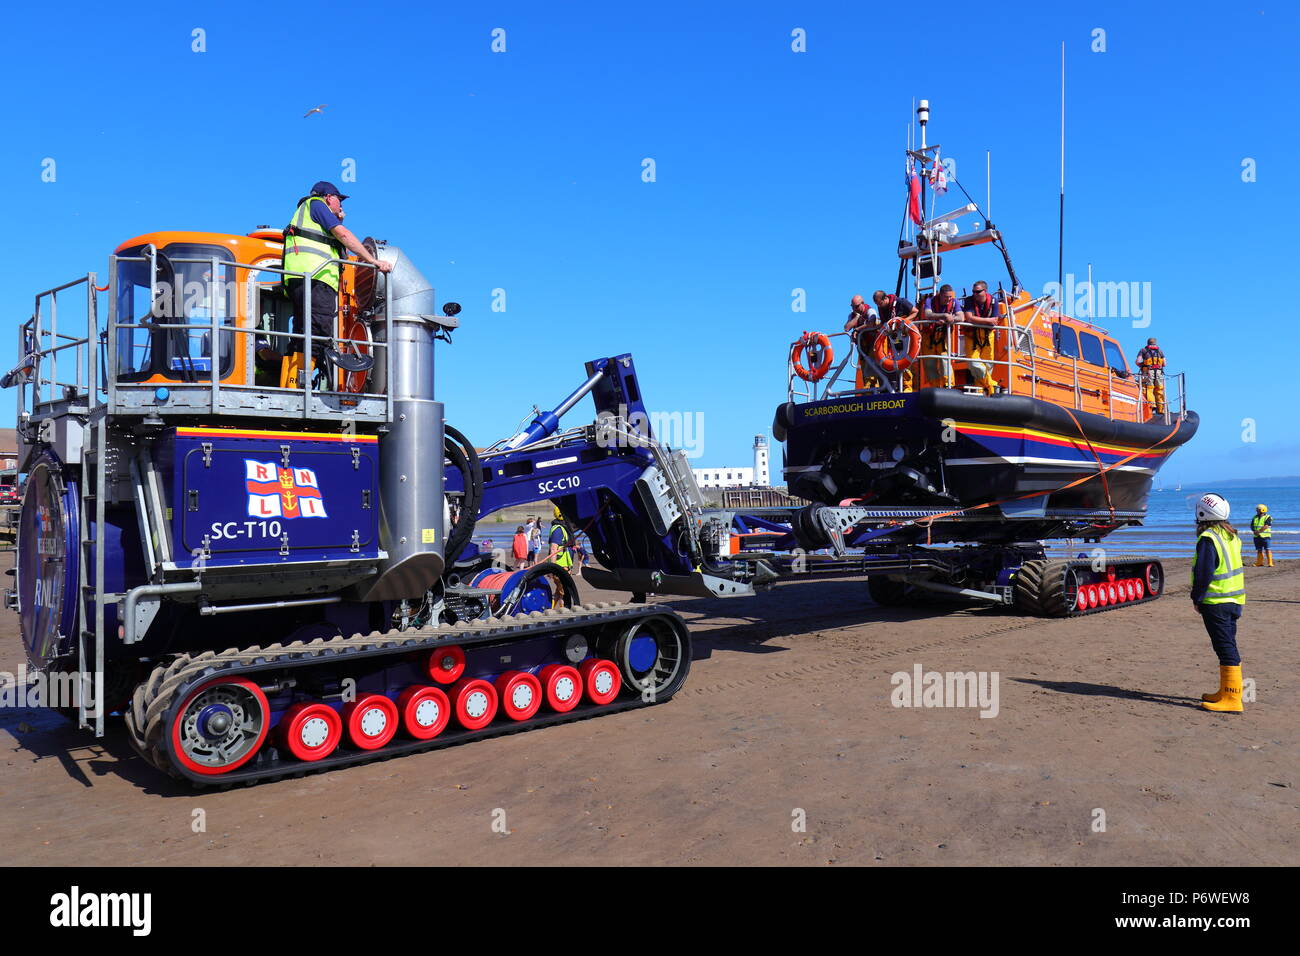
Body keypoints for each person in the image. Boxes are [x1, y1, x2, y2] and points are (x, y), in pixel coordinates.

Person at [281, 181, 393, 374]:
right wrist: (372, 260)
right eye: (339, 200)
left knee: (303, 334)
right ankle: (302, 386)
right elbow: (343, 236)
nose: (341, 205)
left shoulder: (310, 212)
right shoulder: (316, 204)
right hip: (315, 276)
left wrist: (338, 220)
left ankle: (291, 382)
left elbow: (329, 236)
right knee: (318, 333)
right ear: (328, 197)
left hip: (304, 276)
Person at [1190, 493, 1246, 713]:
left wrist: (1197, 597)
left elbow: (1204, 572)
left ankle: (1233, 699)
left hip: (1217, 601)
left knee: (1225, 647)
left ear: (1202, 513)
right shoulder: (1231, 536)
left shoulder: (1209, 538)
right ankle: (1226, 691)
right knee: (1227, 644)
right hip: (1234, 600)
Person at [871, 291, 919, 391]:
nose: (879, 306)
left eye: (880, 303)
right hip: (893, 340)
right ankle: (892, 386)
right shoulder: (882, 308)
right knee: (895, 363)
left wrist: (903, 322)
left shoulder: (901, 302)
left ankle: (907, 388)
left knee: (905, 362)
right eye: (877, 304)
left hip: (906, 338)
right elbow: (885, 323)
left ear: (885, 299)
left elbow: (915, 312)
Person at [961, 280, 1000, 396]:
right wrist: (987, 321)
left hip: (988, 337)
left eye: (978, 292)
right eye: (973, 292)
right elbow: (969, 318)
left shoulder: (994, 301)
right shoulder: (969, 301)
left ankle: (980, 390)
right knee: (973, 363)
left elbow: (995, 321)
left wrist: (978, 320)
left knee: (988, 365)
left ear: (985, 291)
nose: (975, 294)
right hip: (972, 337)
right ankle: (991, 385)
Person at [919, 284, 959, 389]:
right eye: (946, 297)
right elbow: (928, 314)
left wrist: (950, 319)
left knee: (945, 360)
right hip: (929, 337)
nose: (949, 299)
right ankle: (935, 387)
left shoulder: (954, 302)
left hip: (944, 337)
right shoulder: (930, 301)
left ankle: (948, 385)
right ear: (940, 295)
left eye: (950, 297)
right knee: (929, 364)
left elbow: (961, 316)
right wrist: (944, 315)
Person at [844, 295, 882, 387]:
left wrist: (857, 329)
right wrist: (856, 317)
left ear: (862, 303)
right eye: (852, 307)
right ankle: (870, 392)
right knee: (866, 372)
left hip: (875, 345)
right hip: (862, 348)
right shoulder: (852, 315)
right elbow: (846, 328)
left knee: (874, 370)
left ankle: (877, 390)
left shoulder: (870, 311)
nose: (854, 309)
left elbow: (872, 322)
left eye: (856, 306)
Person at [1135, 337, 1167, 418]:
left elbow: (1138, 361)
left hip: (1148, 372)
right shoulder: (1160, 351)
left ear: (1147, 343)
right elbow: (1165, 364)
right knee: (1159, 389)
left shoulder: (1143, 350)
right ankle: (1161, 409)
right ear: (1155, 343)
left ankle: (1152, 406)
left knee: (1149, 388)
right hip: (1159, 373)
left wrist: (1142, 365)